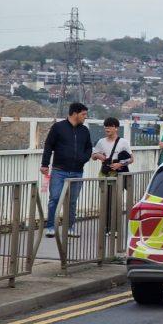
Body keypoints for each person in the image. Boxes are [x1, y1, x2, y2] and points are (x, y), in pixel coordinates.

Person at [41, 102, 92, 238]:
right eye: (83, 114)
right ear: (75, 113)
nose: (85, 117)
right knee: (55, 198)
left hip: (77, 171)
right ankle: (51, 227)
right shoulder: (58, 127)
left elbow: (89, 148)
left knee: (72, 201)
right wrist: (45, 164)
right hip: (59, 170)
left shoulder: (84, 130)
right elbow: (48, 146)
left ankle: (69, 227)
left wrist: (84, 158)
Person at [94, 117, 134, 236]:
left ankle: (115, 229)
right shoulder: (101, 141)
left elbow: (131, 159)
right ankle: (107, 228)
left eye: (110, 126)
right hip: (105, 173)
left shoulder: (123, 142)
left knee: (116, 201)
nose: (107, 128)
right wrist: (98, 156)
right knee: (106, 201)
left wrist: (120, 164)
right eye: (106, 126)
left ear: (116, 128)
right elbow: (93, 155)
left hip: (118, 175)